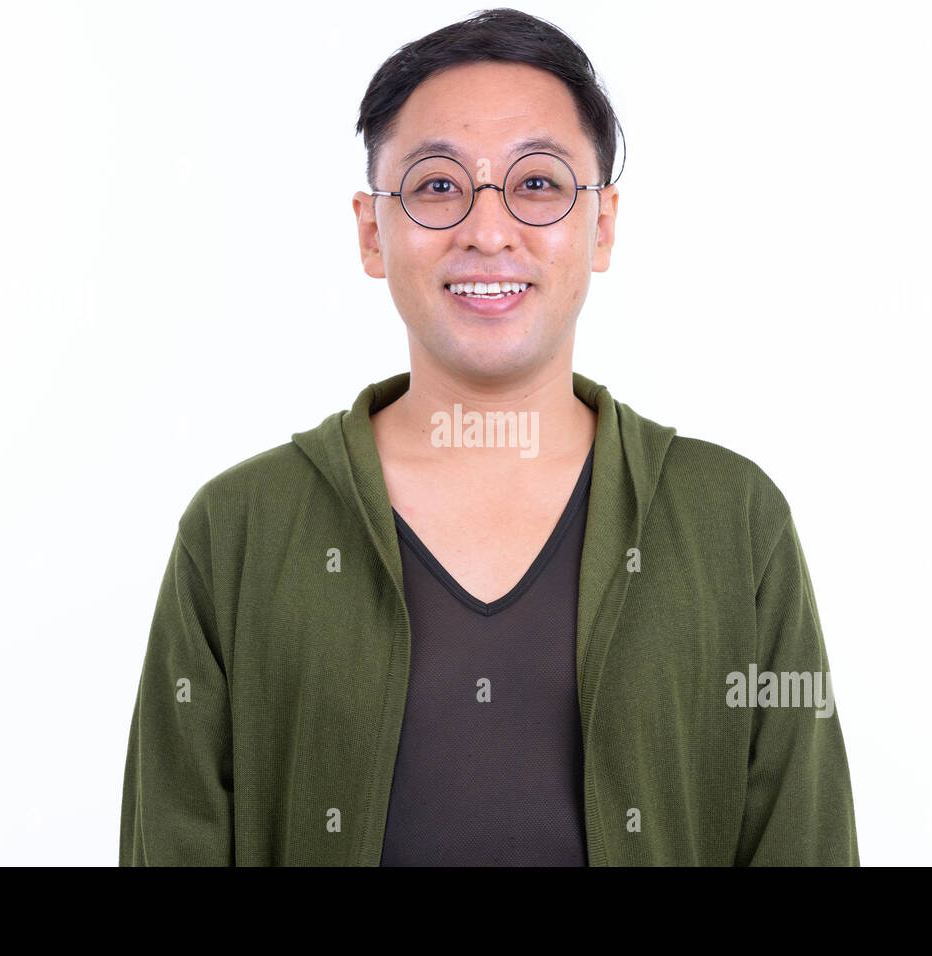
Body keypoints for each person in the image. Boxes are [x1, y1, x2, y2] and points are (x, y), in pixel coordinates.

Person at [119, 7, 859, 867]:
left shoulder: (732, 520)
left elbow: (803, 843)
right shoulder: (240, 528)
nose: (488, 229)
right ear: (372, 230)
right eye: (437, 186)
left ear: (603, 224)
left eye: (537, 183)